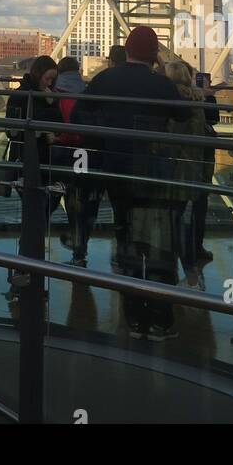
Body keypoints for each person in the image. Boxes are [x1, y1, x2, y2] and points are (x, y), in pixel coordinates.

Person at [72, 26, 189, 340]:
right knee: (159, 242)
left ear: (126, 49)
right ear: (154, 54)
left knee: (125, 235)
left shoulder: (105, 80)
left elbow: (79, 116)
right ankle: (161, 318)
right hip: (155, 172)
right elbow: (185, 117)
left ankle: (134, 316)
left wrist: (105, 138)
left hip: (116, 169)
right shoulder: (161, 85)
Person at [163, 59, 216, 288]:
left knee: (173, 219)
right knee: (183, 219)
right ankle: (190, 271)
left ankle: (180, 269)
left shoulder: (171, 102)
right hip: (193, 167)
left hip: (173, 168)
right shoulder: (198, 99)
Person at [51, 58, 92, 264]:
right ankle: (79, 251)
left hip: (60, 149)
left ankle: (31, 251)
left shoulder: (55, 92)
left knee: (52, 195)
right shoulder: (87, 92)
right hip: (83, 151)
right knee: (78, 201)